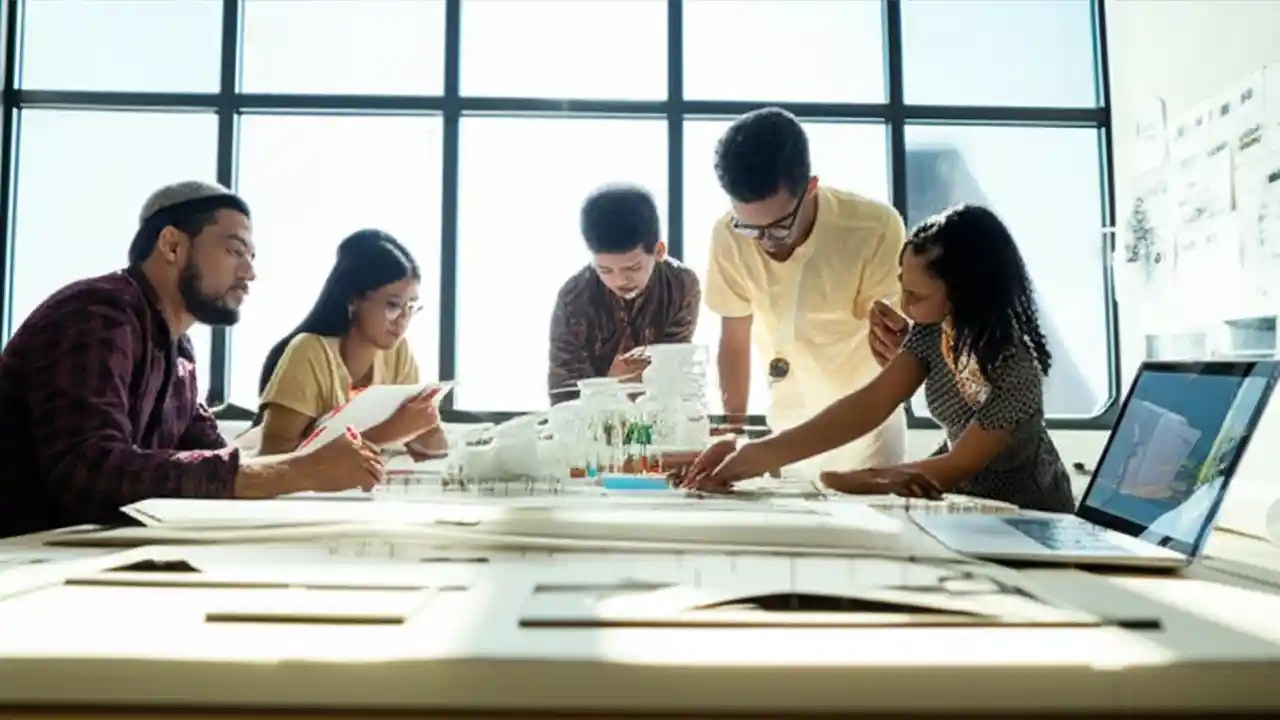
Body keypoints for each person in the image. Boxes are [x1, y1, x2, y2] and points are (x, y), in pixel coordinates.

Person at [0, 181, 385, 538]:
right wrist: (296, 472)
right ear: (172, 246)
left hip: (74, 554)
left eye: (251, 257)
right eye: (235, 251)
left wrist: (309, 468)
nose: (250, 272)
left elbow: (213, 456)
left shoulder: (178, 351)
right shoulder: (96, 313)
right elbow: (88, 472)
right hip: (21, 558)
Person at [684, 204, 1075, 513]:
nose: (904, 305)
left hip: (1031, 512)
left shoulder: (1015, 368)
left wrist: (862, 479)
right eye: (902, 289)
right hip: (969, 504)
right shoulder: (932, 331)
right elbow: (870, 403)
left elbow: (958, 465)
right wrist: (760, 450)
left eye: (916, 296)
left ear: (962, 293)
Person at [705, 107, 907, 474]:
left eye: (778, 226)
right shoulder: (728, 236)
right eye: (750, 227)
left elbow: (891, 361)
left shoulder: (873, 228)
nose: (764, 241)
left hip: (867, 437)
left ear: (811, 187)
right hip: (784, 435)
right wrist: (731, 431)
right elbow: (734, 338)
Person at [255, 229, 446, 457]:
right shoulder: (310, 352)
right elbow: (273, 457)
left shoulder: (398, 352)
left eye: (411, 306)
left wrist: (425, 427)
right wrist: (385, 433)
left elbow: (435, 445)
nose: (404, 319)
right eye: (393, 305)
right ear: (353, 298)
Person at [548, 184, 701, 403]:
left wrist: (645, 377)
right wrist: (611, 385)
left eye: (632, 268)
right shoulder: (574, 299)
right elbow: (562, 398)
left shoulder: (679, 285)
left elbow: (673, 370)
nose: (620, 281)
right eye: (605, 270)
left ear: (658, 251)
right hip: (591, 423)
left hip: (661, 412)